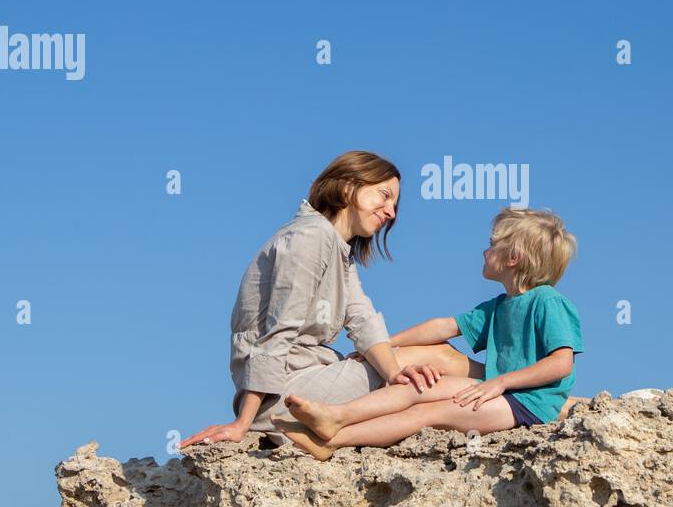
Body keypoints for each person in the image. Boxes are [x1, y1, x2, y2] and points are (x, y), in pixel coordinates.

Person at [179, 151, 462, 450]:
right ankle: (512, 392)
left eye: (395, 203)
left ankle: (506, 393)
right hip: (283, 395)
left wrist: (394, 374)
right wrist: (242, 424)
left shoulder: (339, 250)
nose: (391, 212)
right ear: (348, 186)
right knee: (437, 355)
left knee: (418, 371)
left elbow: (363, 320)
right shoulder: (311, 236)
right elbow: (279, 332)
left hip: (306, 381)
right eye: (384, 195)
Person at [284, 206, 585, 460]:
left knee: (429, 413)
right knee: (417, 387)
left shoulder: (548, 301)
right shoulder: (500, 306)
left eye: (492, 245)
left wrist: (501, 383)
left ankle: (332, 442)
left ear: (513, 258)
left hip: (527, 404)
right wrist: (383, 345)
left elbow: (561, 364)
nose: (485, 250)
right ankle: (337, 415)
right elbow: (444, 327)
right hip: (499, 388)